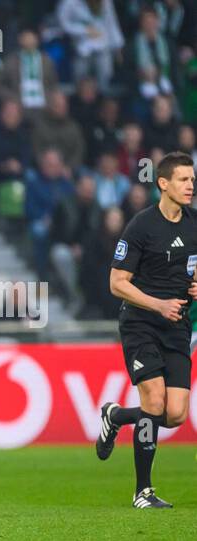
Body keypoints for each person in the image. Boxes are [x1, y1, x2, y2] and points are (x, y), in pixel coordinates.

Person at [96, 151, 197, 507]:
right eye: (183, 180)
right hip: (141, 322)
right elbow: (117, 283)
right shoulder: (141, 225)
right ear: (163, 184)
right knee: (153, 400)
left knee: (174, 414)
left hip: (177, 327)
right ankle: (143, 491)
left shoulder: (195, 222)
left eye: (192, 179)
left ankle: (116, 416)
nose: (190, 185)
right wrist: (157, 304)